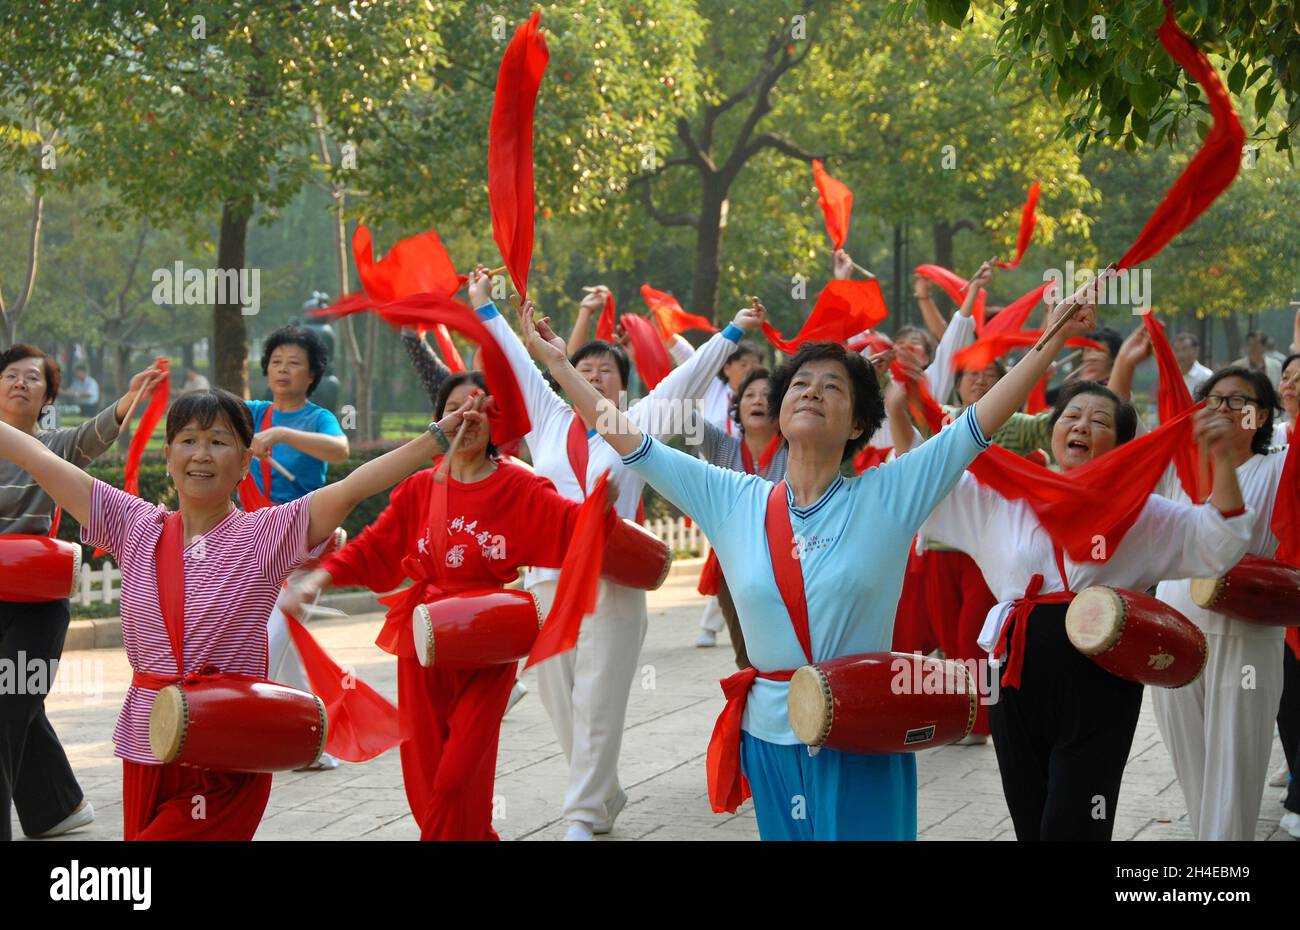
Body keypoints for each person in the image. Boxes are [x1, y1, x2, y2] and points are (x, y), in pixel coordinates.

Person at [519, 279, 1099, 840]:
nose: (813, 392)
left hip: (864, 726)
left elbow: (979, 422)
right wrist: (561, 367)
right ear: (780, 406)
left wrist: (1047, 340)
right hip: (769, 737)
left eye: (833, 387)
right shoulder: (731, 497)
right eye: (800, 384)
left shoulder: (890, 494)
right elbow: (627, 437)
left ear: (857, 426)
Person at [0, 386, 454, 840]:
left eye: (218, 442)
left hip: (228, 742)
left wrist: (434, 439)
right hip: (149, 735)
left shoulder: (266, 536)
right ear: (168, 453)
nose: (201, 454)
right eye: (189, 440)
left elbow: (353, 486)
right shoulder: (132, 523)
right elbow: (39, 458)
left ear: (243, 463)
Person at [471, 266, 764, 841]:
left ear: (622, 388)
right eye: (585, 369)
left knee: (599, 702)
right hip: (547, 582)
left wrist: (732, 331)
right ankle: (604, 794)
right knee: (561, 701)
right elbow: (517, 359)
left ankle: (581, 817)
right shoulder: (550, 422)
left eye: (606, 372)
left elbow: (687, 377)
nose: (595, 376)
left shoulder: (641, 422)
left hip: (613, 583)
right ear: (566, 376)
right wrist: (486, 307)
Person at [903, 370, 1251, 840]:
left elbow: (1220, 541)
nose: (1082, 426)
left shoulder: (1142, 513)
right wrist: (898, 406)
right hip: (1012, 676)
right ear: (1054, 430)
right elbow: (923, 482)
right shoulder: (1007, 499)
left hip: (1101, 681)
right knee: (1031, 818)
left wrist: (1224, 462)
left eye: (1100, 421)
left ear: (1122, 444)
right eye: (1072, 415)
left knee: (1075, 823)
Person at [281, 373, 603, 840]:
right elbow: (372, 546)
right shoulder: (417, 489)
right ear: (440, 419)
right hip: (424, 640)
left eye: (482, 408)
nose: (469, 416)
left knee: (456, 777)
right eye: (457, 406)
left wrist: (601, 508)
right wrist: (319, 579)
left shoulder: (520, 486)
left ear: (498, 423)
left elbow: (574, 526)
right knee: (425, 778)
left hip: (489, 640)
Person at [0, 345, 166, 841]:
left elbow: (96, 436)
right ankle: (58, 808)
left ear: (49, 395)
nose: (20, 383)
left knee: (8, 701)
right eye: (10, 374)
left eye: (33, 378)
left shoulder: (54, 448)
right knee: (16, 704)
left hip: (38, 605)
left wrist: (129, 399)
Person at [1139, 368, 1292, 840]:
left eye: (1237, 401)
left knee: (1235, 768)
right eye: (1213, 398)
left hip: (1248, 633)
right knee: (1194, 763)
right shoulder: (1176, 468)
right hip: (1176, 631)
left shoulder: (1280, 463)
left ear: (1261, 415)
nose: (1222, 408)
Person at [251, 325, 351, 771]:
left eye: (294, 364)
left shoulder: (317, 418)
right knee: (282, 646)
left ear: (312, 375)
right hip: (255, 542)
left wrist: (284, 436)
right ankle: (309, 742)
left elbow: (340, 450)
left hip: (304, 544)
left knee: (274, 637)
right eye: (276, 363)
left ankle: (257, 729)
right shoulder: (254, 412)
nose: (283, 370)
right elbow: (210, 420)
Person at [694, 368, 787, 661]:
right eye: (749, 395)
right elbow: (681, 416)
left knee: (785, 659)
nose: (758, 400)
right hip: (732, 572)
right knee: (747, 661)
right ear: (737, 406)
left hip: (786, 571)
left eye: (767, 396)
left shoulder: (798, 452)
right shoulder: (720, 447)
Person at [1173, 333, 1213, 397]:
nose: (1180, 355)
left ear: (1196, 350)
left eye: (1184, 349)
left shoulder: (1206, 376)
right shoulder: (1172, 376)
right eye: (1177, 350)